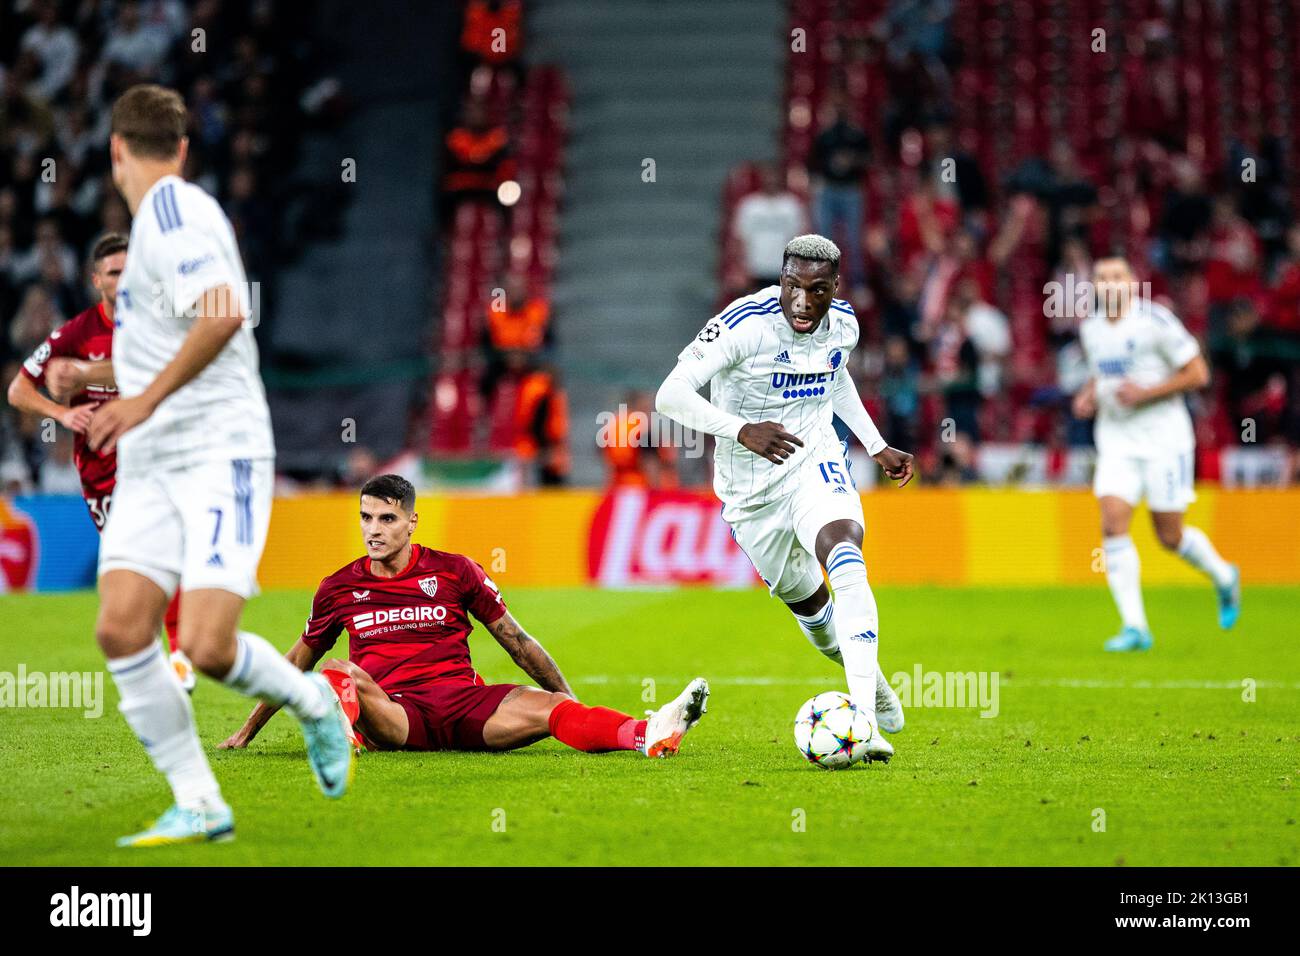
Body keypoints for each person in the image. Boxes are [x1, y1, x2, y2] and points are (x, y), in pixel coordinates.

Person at [84, 84, 353, 847]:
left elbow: (225, 309)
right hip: (150, 462)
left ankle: (312, 702)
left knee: (205, 645)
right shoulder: (155, 231)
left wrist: (138, 403)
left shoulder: (173, 211)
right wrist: (95, 384)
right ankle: (198, 799)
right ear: (182, 144)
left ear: (114, 152)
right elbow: (165, 344)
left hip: (216, 454)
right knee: (120, 627)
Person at [221, 474, 709, 757]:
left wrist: (567, 701)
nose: (374, 530)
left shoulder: (456, 571)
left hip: (466, 706)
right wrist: (249, 728)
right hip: (395, 713)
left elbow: (515, 640)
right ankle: (342, 732)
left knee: (550, 707)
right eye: (366, 518)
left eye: (387, 519)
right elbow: (297, 661)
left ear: (412, 521)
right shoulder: (338, 587)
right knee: (339, 672)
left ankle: (649, 735)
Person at [655, 234, 913, 761]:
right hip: (749, 492)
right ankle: (873, 680)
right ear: (781, 280)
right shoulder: (742, 325)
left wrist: (876, 444)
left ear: (834, 289)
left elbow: (834, 376)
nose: (801, 302)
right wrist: (740, 428)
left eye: (816, 291)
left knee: (847, 559)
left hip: (814, 461)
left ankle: (863, 720)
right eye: (792, 287)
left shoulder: (844, 324)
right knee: (816, 616)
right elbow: (670, 395)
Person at [6, 232, 193, 689]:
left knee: (168, 553)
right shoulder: (76, 333)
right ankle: (150, 664)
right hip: (102, 472)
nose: (124, 279)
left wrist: (86, 373)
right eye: (114, 272)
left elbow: (163, 368)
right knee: (131, 569)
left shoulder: (158, 326)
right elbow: (18, 389)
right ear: (96, 281)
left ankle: (180, 658)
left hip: (155, 460)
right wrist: (61, 412)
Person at [1072, 255, 1241, 651]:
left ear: (1131, 283)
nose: (1110, 284)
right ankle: (1135, 627)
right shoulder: (1091, 329)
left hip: (1164, 440)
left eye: (1117, 276)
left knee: (1169, 534)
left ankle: (1223, 576)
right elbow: (1102, 373)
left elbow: (1198, 373)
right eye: (1102, 278)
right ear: (1095, 287)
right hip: (1115, 439)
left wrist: (1145, 394)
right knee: (1113, 524)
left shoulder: (1156, 322)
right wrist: (1087, 395)